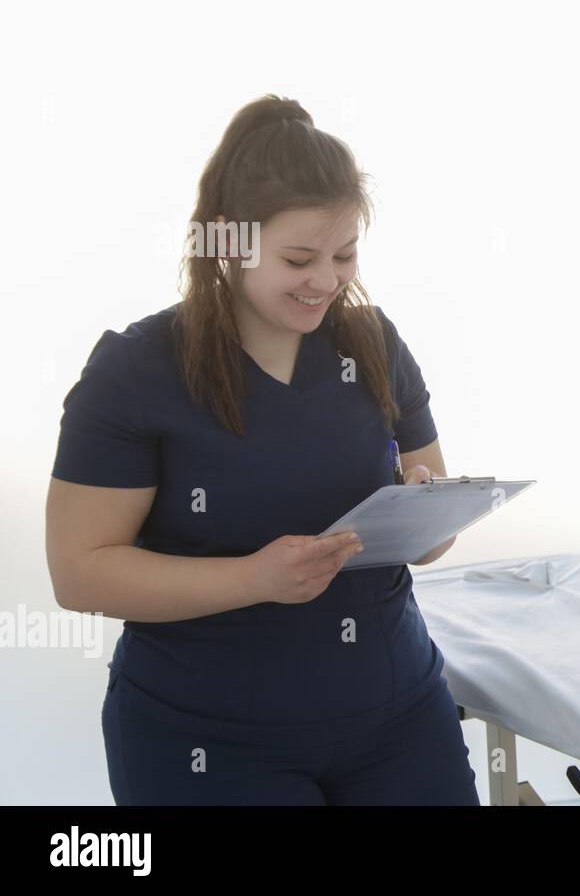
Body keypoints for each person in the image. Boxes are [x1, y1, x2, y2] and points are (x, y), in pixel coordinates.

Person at [45, 95, 478, 805]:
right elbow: (79, 573)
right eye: (299, 258)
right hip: (209, 742)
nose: (327, 281)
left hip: (399, 716)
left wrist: (431, 517)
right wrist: (254, 578)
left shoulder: (373, 344)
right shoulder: (138, 370)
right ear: (230, 240)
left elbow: (427, 517)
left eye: (344, 255)